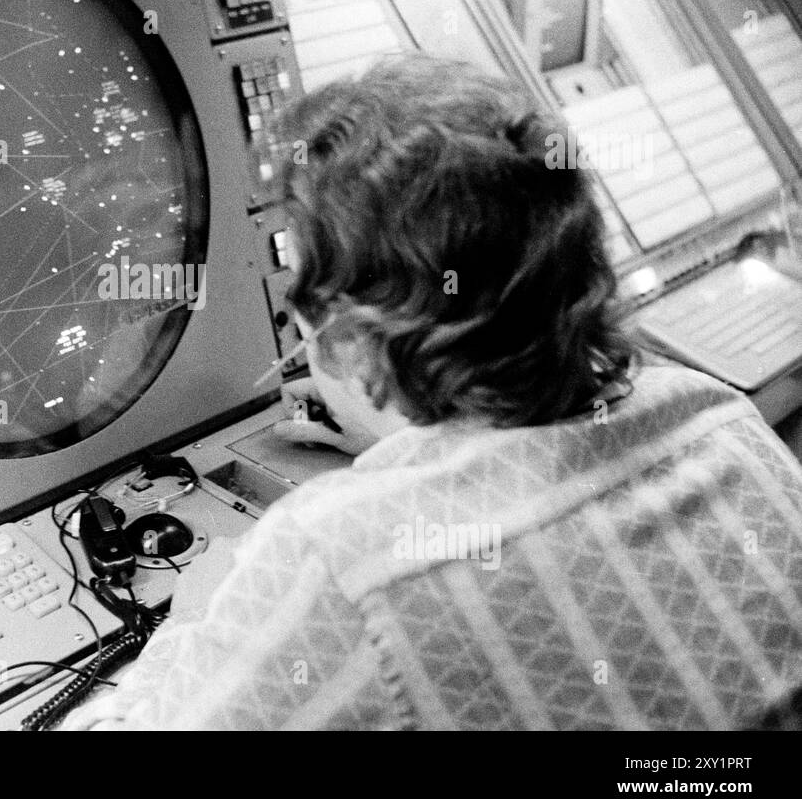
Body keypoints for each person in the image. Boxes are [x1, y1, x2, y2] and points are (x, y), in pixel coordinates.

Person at [65, 53, 802, 730]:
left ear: (351, 338)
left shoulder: (337, 560)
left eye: (300, 277)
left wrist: (183, 630)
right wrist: (409, 442)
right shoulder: (719, 416)